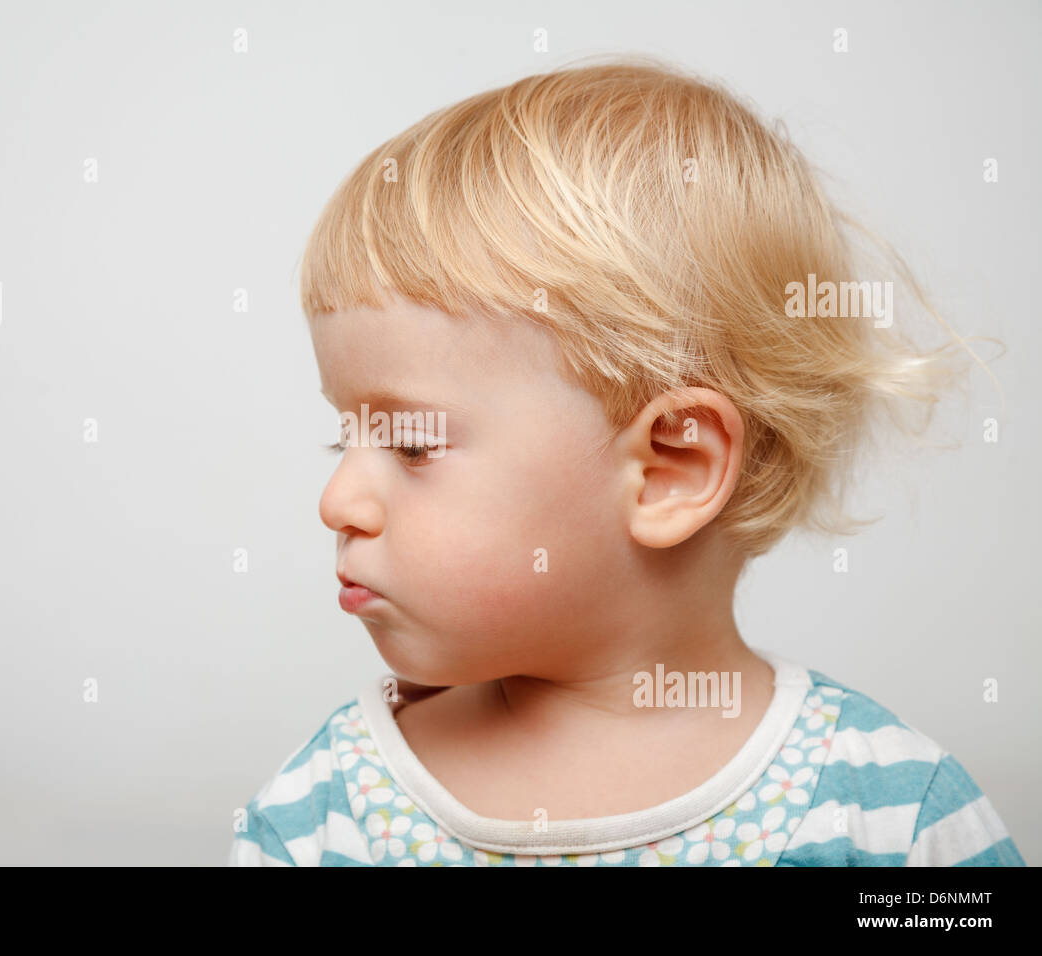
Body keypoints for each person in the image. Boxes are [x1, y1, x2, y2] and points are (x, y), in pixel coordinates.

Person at [228, 58, 1024, 866]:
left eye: (412, 442)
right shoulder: (320, 817)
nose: (338, 501)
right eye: (345, 436)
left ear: (670, 469)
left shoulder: (893, 818)